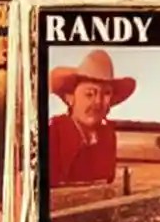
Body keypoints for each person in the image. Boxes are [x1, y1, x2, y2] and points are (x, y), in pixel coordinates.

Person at [47, 49, 136, 187]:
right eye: (89, 94)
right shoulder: (53, 134)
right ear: (70, 98)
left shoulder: (107, 136)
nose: (98, 102)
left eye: (106, 94)